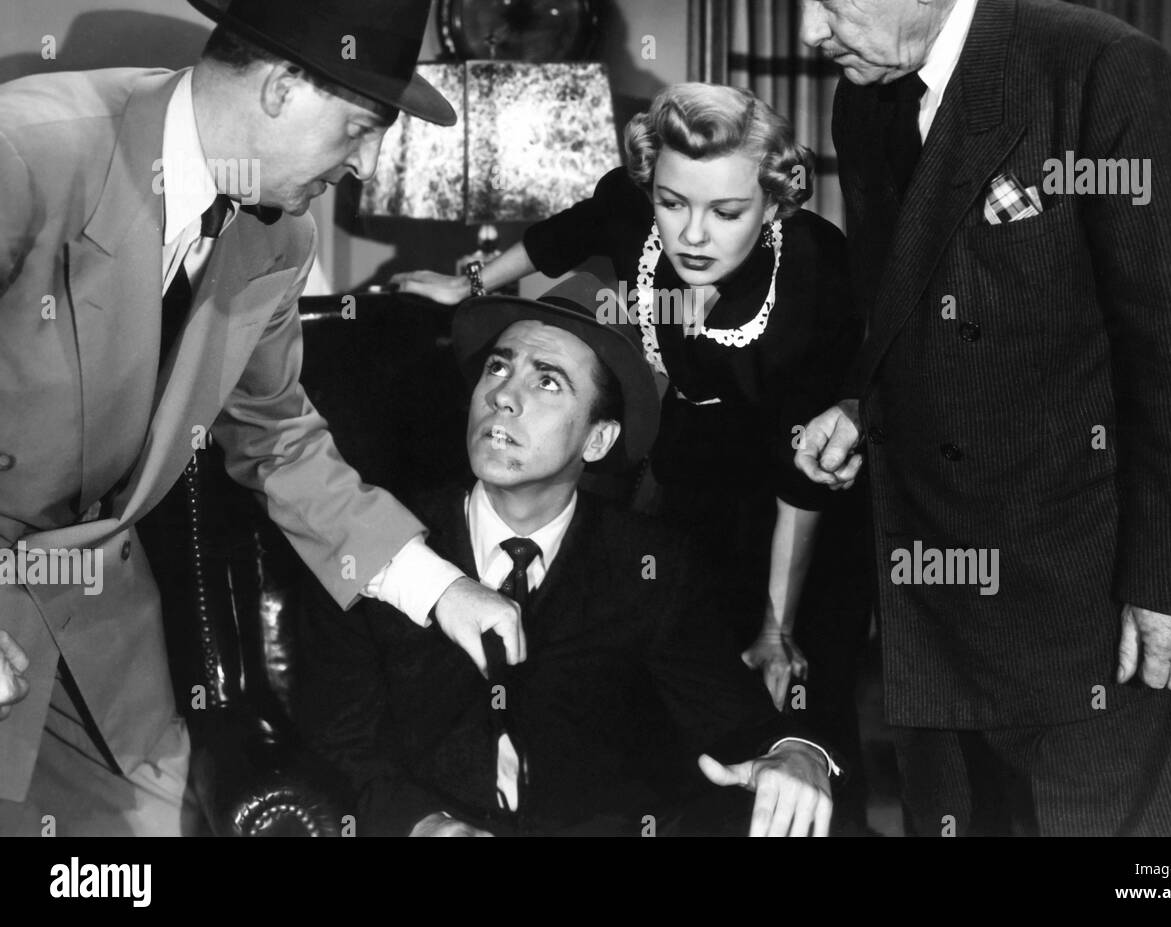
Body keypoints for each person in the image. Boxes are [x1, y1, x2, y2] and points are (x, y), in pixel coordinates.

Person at [0, 0, 525, 836]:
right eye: (361, 128)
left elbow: (279, 439)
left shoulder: (278, 234)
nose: (361, 164)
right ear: (283, 87)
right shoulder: (26, 153)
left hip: (91, 628)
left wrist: (438, 587)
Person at [775, 0, 1171, 835]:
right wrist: (866, 400)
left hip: (1089, 604)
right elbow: (905, 303)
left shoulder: (1099, 72)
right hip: (932, 593)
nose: (809, 29)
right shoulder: (862, 103)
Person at [294, 272, 838, 837]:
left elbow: (735, 719)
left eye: (548, 382)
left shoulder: (651, 567)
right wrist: (424, 825)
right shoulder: (379, 540)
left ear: (598, 440)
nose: (504, 395)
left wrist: (798, 753)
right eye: (498, 367)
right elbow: (335, 740)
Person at [394, 84, 867, 722]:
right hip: (681, 471)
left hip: (798, 501)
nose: (693, 234)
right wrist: (466, 284)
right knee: (668, 683)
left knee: (791, 701)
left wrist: (776, 629)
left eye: (727, 212)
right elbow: (558, 238)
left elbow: (801, 469)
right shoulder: (629, 203)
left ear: (773, 207)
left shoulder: (813, 268)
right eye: (673, 204)